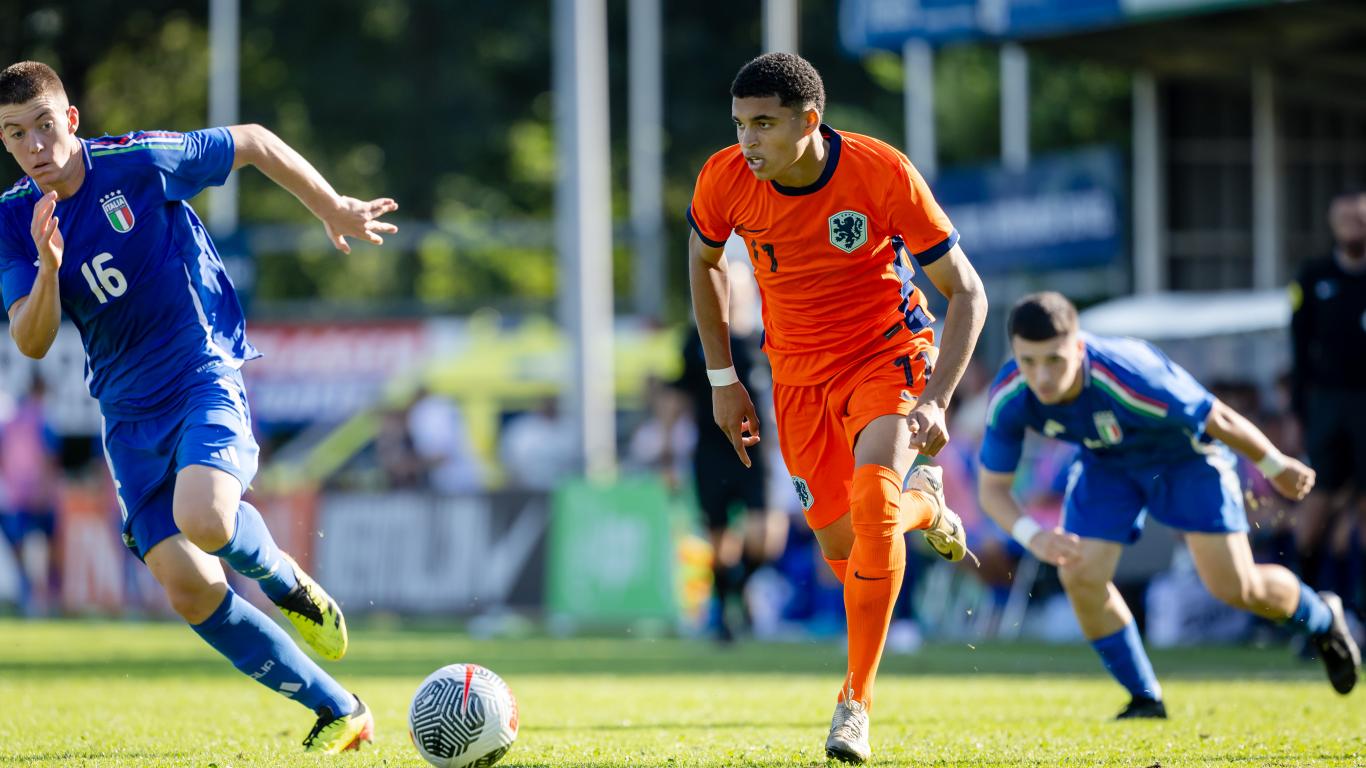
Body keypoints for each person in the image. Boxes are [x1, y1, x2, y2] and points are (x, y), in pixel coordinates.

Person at [0, 61, 396, 752]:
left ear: (70, 120)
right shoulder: (12, 220)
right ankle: (341, 709)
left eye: (43, 125)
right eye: (14, 134)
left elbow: (254, 140)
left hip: (199, 374)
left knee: (206, 518)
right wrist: (49, 270)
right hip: (126, 417)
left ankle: (283, 579)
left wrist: (332, 206)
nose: (34, 145)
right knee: (188, 588)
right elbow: (31, 341)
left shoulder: (139, 163)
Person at [686, 52, 987, 764]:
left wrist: (938, 398)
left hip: (887, 356)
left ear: (809, 121)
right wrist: (723, 379)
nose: (747, 141)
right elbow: (702, 262)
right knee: (845, 548)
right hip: (796, 379)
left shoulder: (882, 173)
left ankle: (855, 704)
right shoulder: (723, 178)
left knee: (875, 502)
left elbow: (967, 292)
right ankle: (927, 507)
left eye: (764, 124)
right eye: (740, 124)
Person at [977, 291, 1361, 720]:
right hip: (1107, 463)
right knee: (1080, 575)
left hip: (1184, 460)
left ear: (1079, 346)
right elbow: (992, 489)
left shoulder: (1129, 374)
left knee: (1234, 587)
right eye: (1028, 361)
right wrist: (1035, 537)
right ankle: (1145, 698)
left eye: (1054, 360)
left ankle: (1322, 617)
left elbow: (1217, 416)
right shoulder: (1011, 394)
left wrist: (1274, 464)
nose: (1042, 376)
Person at [663, 260, 787, 643]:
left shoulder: (766, 336)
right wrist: (667, 449)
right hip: (712, 451)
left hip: (757, 451)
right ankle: (725, 619)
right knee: (719, 543)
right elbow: (678, 398)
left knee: (766, 539)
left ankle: (738, 591)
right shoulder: (696, 341)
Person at [1289, 192, 1366, 607]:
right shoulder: (1313, 275)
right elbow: (1299, 348)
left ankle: (1360, 611)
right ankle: (1304, 608)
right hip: (1326, 405)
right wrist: (1298, 412)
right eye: (1345, 219)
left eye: (1360, 218)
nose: (1353, 226)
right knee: (1317, 502)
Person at [0, 373, 61, 615]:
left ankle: (28, 595)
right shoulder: (43, 420)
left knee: (22, 547)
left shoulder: (11, 420)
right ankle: (47, 597)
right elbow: (49, 459)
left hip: (16, 496)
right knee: (47, 546)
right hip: (39, 495)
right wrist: (44, 490)